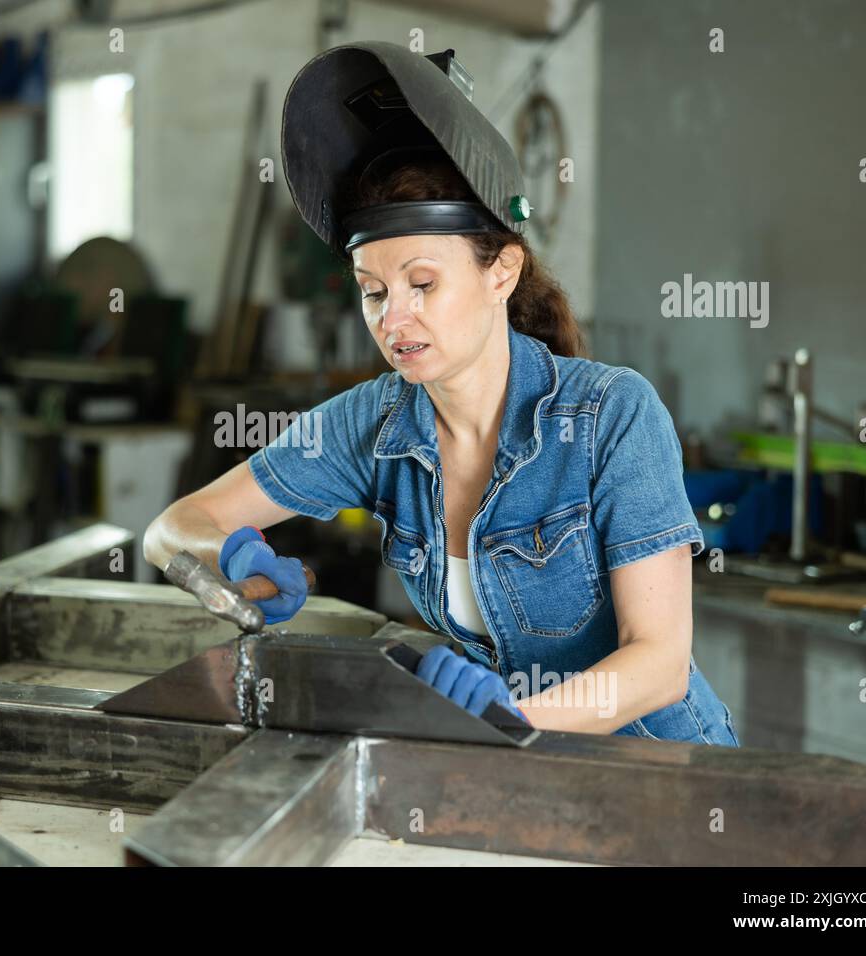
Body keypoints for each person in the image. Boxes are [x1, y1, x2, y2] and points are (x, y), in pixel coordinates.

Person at [144, 42, 738, 745]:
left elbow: (659, 664)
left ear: (501, 273)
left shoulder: (613, 414)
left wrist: (506, 717)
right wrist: (233, 559)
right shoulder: (374, 424)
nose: (394, 320)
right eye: (373, 292)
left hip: (659, 773)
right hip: (508, 768)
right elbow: (169, 530)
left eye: (422, 284)